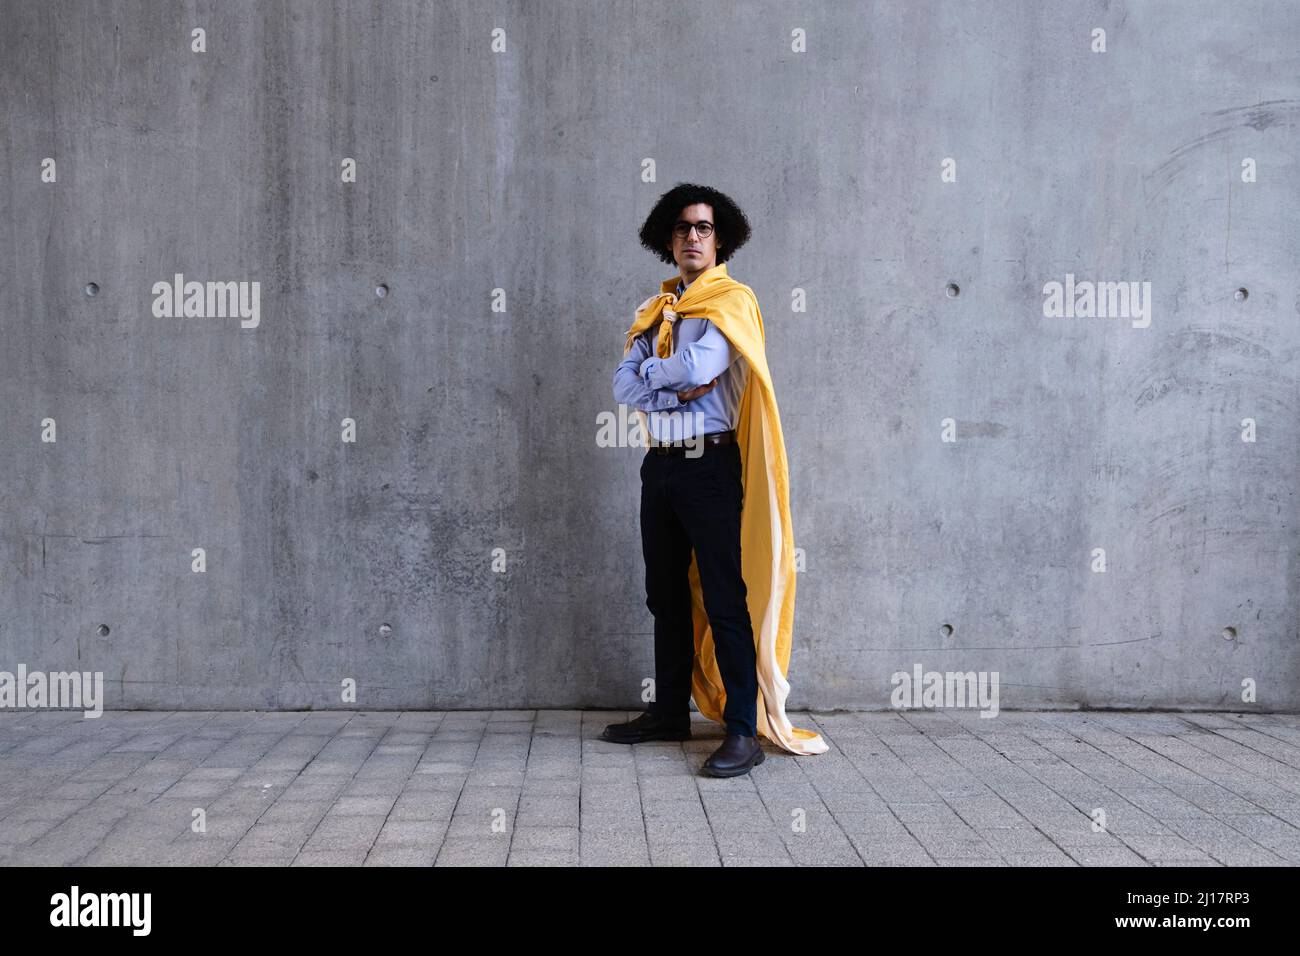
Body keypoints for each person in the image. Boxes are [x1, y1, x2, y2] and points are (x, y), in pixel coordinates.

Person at [604, 183, 828, 776]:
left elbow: (701, 367)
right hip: (662, 467)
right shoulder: (654, 313)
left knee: (727, 598)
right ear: (667, 239)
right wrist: (666, 376)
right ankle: (671, 712)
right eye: (682, 228)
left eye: (703, 228)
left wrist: (657, 376)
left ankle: (741, 730)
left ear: (720, 237)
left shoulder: (732, 303)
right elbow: (622, 388)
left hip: (711, 467)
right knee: (666, 595)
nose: (692, 237)